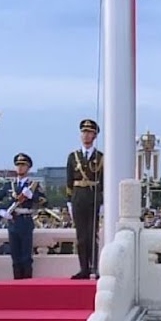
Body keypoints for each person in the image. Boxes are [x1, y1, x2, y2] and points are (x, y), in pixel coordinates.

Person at [0, 153, 47, 279]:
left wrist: (32, 196)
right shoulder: (9, 185)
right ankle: (16, 282)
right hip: (13, 221)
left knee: (26, 257)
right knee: (15, 257)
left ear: (28, 168)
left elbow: (45, 202)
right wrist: (1, 211)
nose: (20, 168)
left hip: (26, 220)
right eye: (18, 165)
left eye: (23, 165)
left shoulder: (33, 186)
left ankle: (27, 284)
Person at [66, 118, 103, 280]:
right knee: (80, 235)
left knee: (92, 234)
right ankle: (83, 268)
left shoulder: (100, 157)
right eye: (84, 132)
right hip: (78, 196)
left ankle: (94, 266)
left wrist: (103, 202)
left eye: (89, 133)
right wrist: (68, 200)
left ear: (95, 136)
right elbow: (69, 180)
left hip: (93, 196)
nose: (86, 136)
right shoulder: (73, 157)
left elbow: (103, 181)